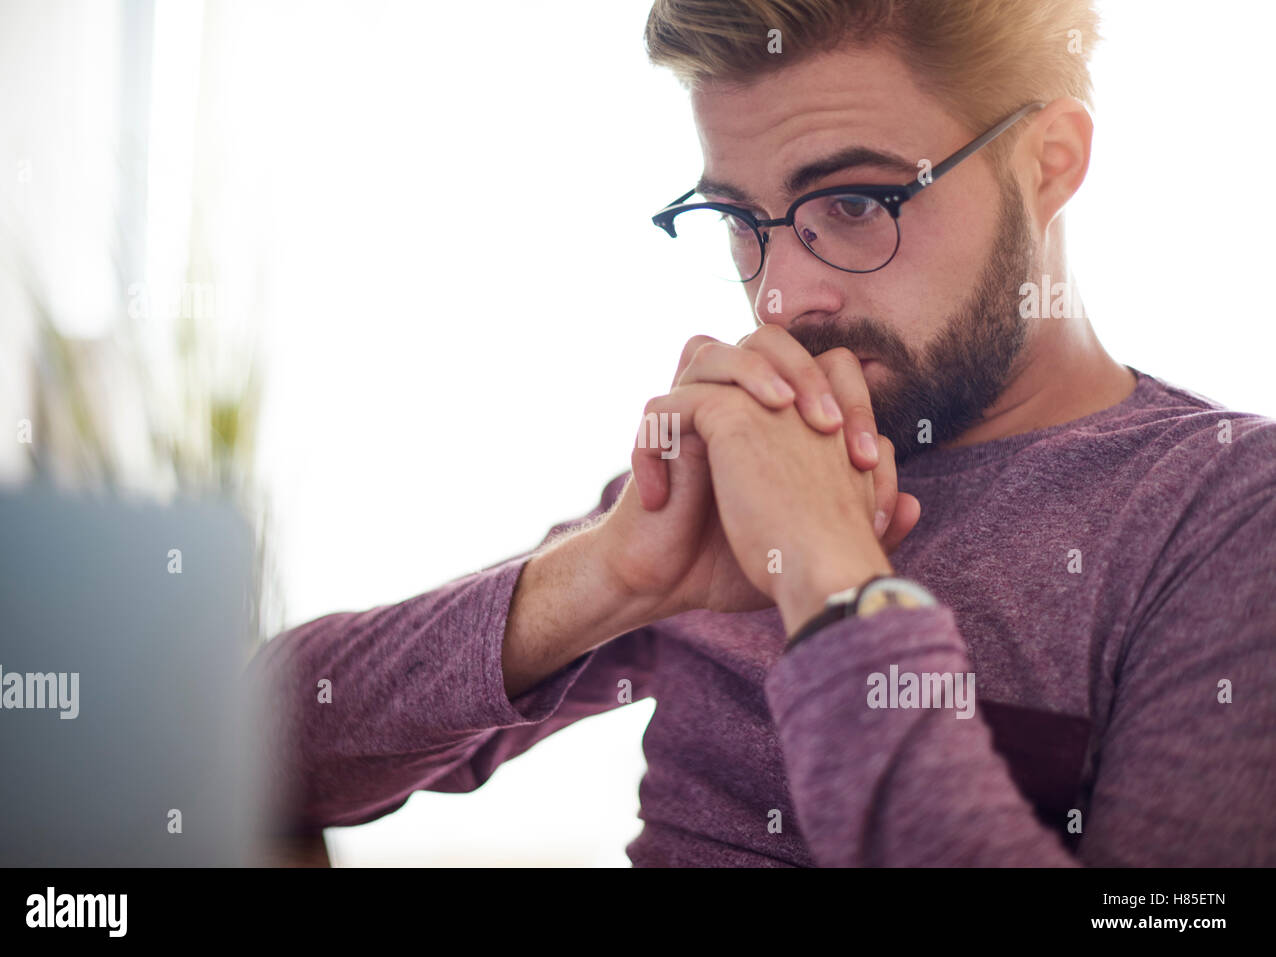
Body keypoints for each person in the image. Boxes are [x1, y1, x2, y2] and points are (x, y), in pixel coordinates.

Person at [249, 0, 1276, 866]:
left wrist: (832, 585)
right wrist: (606, 579)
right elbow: (239, 744)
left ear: (1049, 161)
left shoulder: (1226, 508)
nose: (782, 297)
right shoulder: (762, 449)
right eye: (740, 219)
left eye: (857, 203)